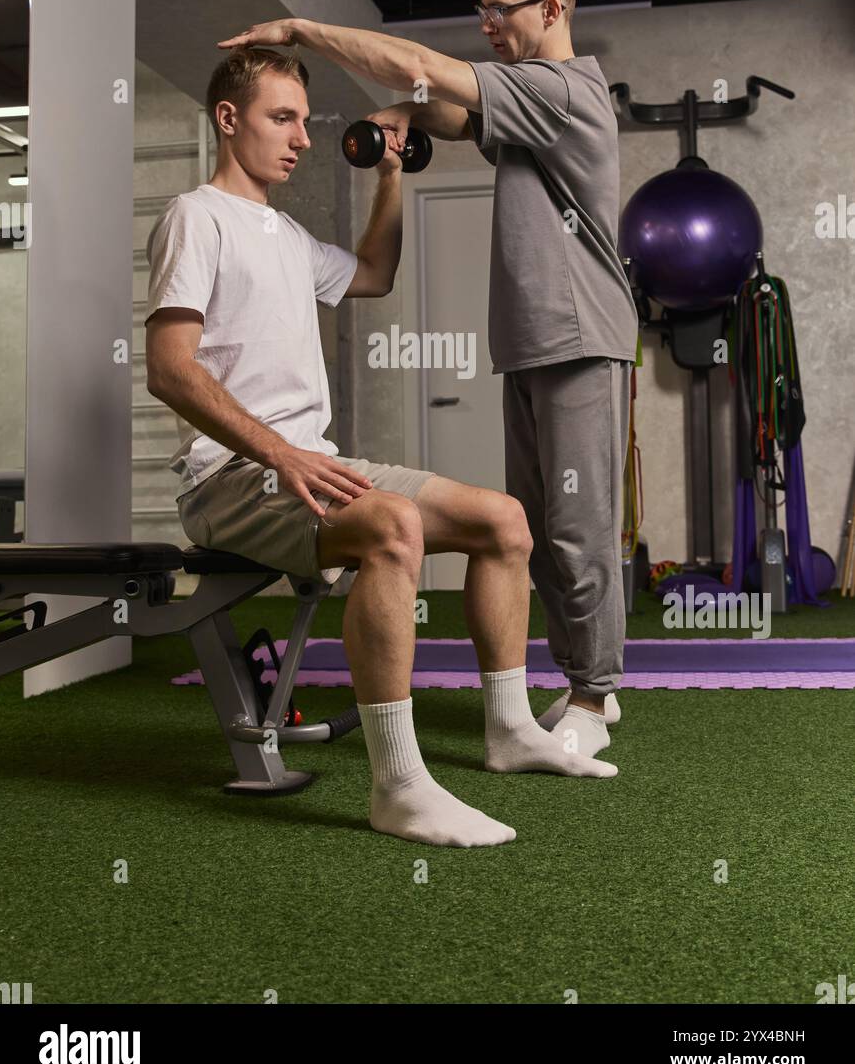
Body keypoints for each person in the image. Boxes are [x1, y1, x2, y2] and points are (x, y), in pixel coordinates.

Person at [145, 45, 615, 851]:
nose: (301, 138)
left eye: (303, 121)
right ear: (228, 118)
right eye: (281, 119)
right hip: (231, 478)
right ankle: (397, 787)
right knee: (393, 525)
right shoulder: (197, 218)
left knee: (503, 520)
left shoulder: (286, 234)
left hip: (311, 462)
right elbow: (169, 370)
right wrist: (280, 455)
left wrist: (391, 176)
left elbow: (371, 273)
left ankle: (509, 731)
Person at [218, 0, 639, 766]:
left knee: (578, 526)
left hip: (581, 337)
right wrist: (409, 118)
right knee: (537, 524)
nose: (487, 24)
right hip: (532, 343)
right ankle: (584, 679)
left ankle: (593, 692)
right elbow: (451, 108)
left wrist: (303, 31)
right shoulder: (524, 102)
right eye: (481, 9)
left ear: (551, 7)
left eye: (500, 10)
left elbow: (422, 66)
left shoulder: (563, 89)